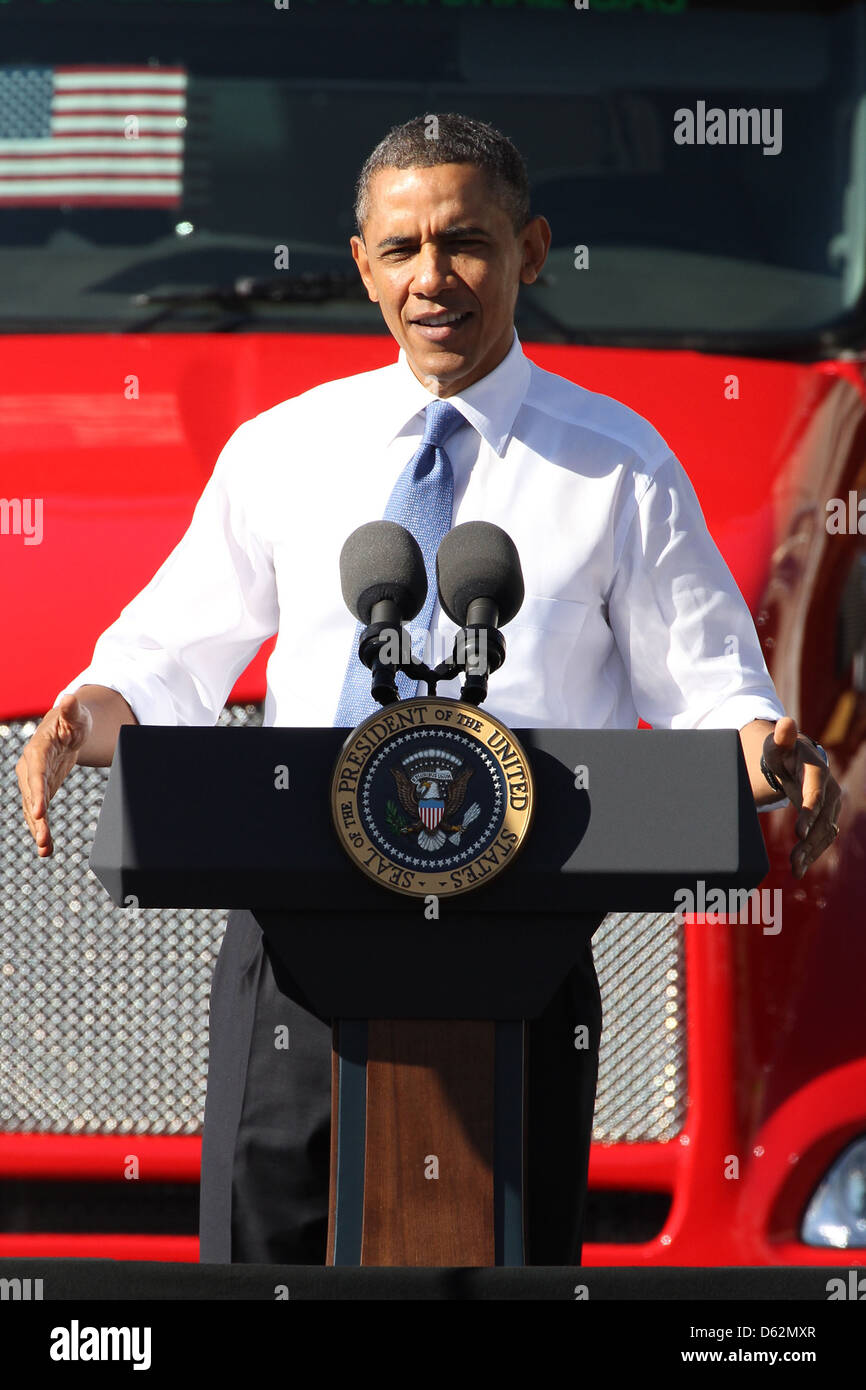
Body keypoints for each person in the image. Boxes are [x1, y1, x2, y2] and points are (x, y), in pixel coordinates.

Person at [17, 114, 842, 1267]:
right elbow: (163, 660)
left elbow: (713, 698)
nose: (430, 279)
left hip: (518, 947)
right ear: (361, 264)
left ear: (532, 251)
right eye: (399, 249)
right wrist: (81, 714)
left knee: (502, 1273)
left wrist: (769, 750)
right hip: (296, 949)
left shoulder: (618, 462)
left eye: (464, 242)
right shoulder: (281, 449)